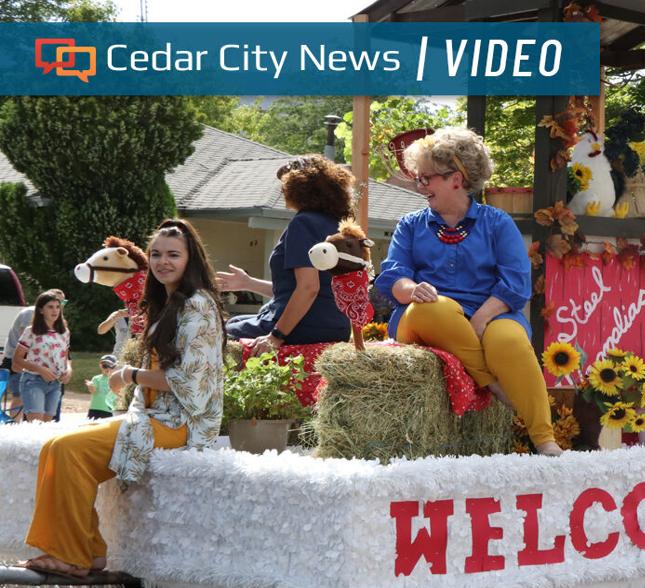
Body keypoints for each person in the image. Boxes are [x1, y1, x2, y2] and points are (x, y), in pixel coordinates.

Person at [20, 219, 225, 578]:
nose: (163, 262)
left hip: (180, 423)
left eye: (173, 255)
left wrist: (128, 375)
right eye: (157, 254)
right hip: (151, 416)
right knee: (55, 445)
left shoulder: (197, 306)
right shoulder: (170, 302)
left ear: (190, 259)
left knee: (70, 451)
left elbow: (190, 384)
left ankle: (73, 556)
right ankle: (89, 552)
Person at [374, 128, 563, 456]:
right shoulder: (410, 224)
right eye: (420, 179)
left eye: (426, 179)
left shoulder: (497, 222)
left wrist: (479, 320)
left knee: (510, 341)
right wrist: (411, 289)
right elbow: (393, 277)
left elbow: (516, 283)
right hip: (425, 315)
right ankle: (490, 382)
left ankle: (545, 439)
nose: (421, 187)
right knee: (436, 307)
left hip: (490, 313)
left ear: (456, 179)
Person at [220, 155, 353, 355]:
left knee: (220, 331)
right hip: (335, 326)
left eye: (284, 184)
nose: (281, 190)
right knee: (235, 321)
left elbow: (309, 288)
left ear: (298, 186)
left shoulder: (304, 223)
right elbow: (296, 290)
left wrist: (276, 336)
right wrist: (248, 283)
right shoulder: (337, 225)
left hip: (306, 327)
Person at [11, 290, 72, 422]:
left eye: (57, 307)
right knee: (36, 426)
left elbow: (66, 357)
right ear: (40, 310)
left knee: (47, 426)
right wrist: (41, 370)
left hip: (56, 383)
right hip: (33, 381)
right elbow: (17, 359)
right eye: (50, 307)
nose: (55, 310)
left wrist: (69, 370)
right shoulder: (31, 331)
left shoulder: (64, 332)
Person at [84, 354, 120, 420]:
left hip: (109, 410)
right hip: (95, 408)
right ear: (100, 366)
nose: (107, 368)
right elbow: (93, 391)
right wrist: (91, 386)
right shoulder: (96, 378)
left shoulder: (117, 379)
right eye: (104, 366)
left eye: (110, 366)